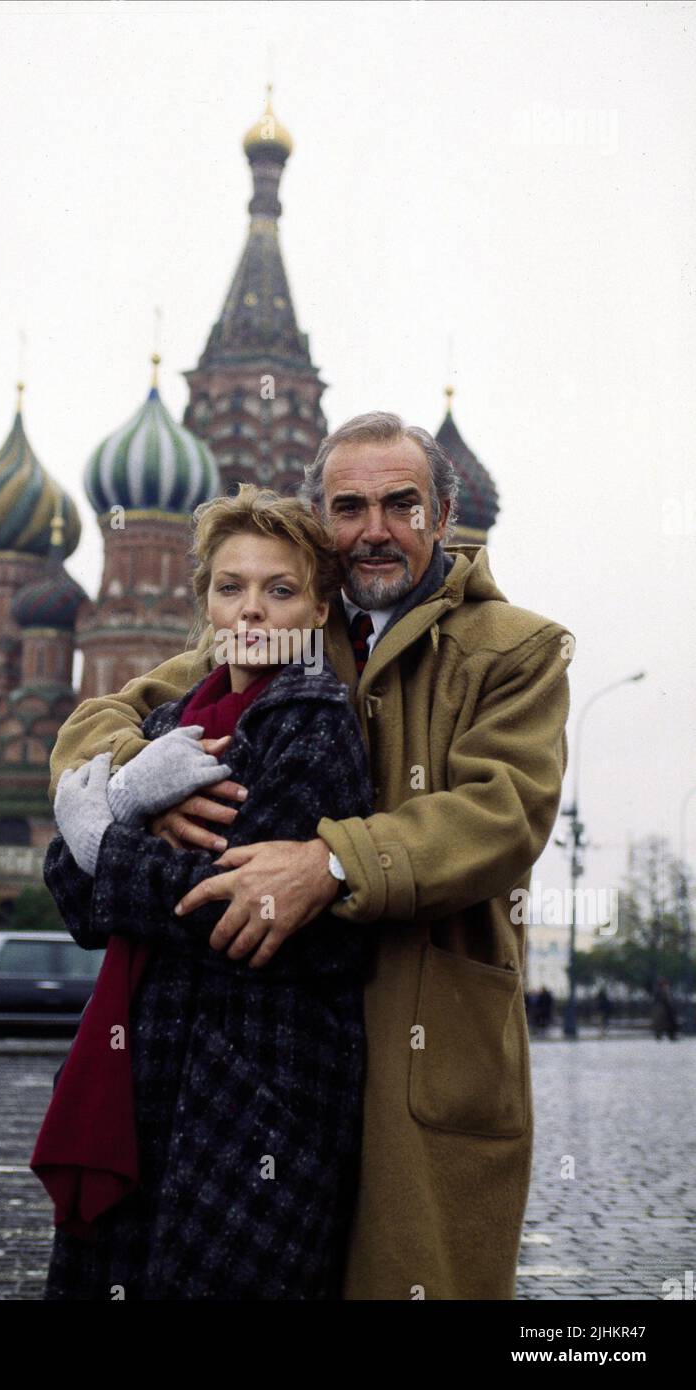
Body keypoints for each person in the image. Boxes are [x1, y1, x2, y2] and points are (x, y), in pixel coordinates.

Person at [49, 412, 573, 1301]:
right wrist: (146, 782)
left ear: (442, 517)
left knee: (407, 1275)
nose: (373, 528)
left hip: (420, 1027)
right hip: (266, 1048)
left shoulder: (513, 649)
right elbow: (102, 718)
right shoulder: (283, 621)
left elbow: (502, 811)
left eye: (399, 504)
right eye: (348, 506)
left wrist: (330, 863)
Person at [36, 486, 375, 1300]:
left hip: (258, 1091)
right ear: (206, 603)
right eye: (231, 588)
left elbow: (234, 906)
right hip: (149, 1069)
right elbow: (77, 903)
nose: (252, 610)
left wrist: (100, 836)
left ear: (318, 607)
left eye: (279, 590)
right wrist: (122, 814)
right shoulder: (169, 727)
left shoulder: (313, 725)